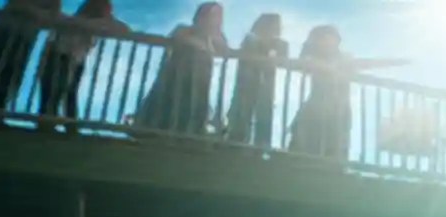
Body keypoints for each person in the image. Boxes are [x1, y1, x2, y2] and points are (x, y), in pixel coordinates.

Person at [133, 1, 229, 136]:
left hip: (198, 82)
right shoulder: (184, 29)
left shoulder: (215, 38)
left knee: (194, 108)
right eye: (213, 15)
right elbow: (178, 37)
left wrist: (213, 37)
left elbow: (225, 49)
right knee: (167, 106)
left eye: (219, 16)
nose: (215, 19)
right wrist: (203, 46)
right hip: (175, 77)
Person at [36, 0, 129, 125]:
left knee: (67, 94)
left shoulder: (85, 22)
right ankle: (53, 125)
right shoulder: (82, 22)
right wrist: (107, 20)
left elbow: (125, 30)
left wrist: (108, 19)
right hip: (59, 56)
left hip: (74, 59)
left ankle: (64, 126)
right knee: (55, 93)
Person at [287, 25, 352, 160]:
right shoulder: (313, 56)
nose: (326, 42)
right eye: (321, 39)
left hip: (338, 108)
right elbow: (303, 63)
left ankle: (333, 166)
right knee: (308, 135)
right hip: (318, 105)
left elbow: (355, 67)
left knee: (335, 141)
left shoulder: (344, 57)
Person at [224, 13, 287, 147]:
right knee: (241, 111)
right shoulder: (250, 39)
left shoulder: (280, 44)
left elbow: (283, 59)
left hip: (266, 86)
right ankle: (236, 143)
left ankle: (261, 147)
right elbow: (248, 53)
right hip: (246, 83)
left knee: (264, 115)